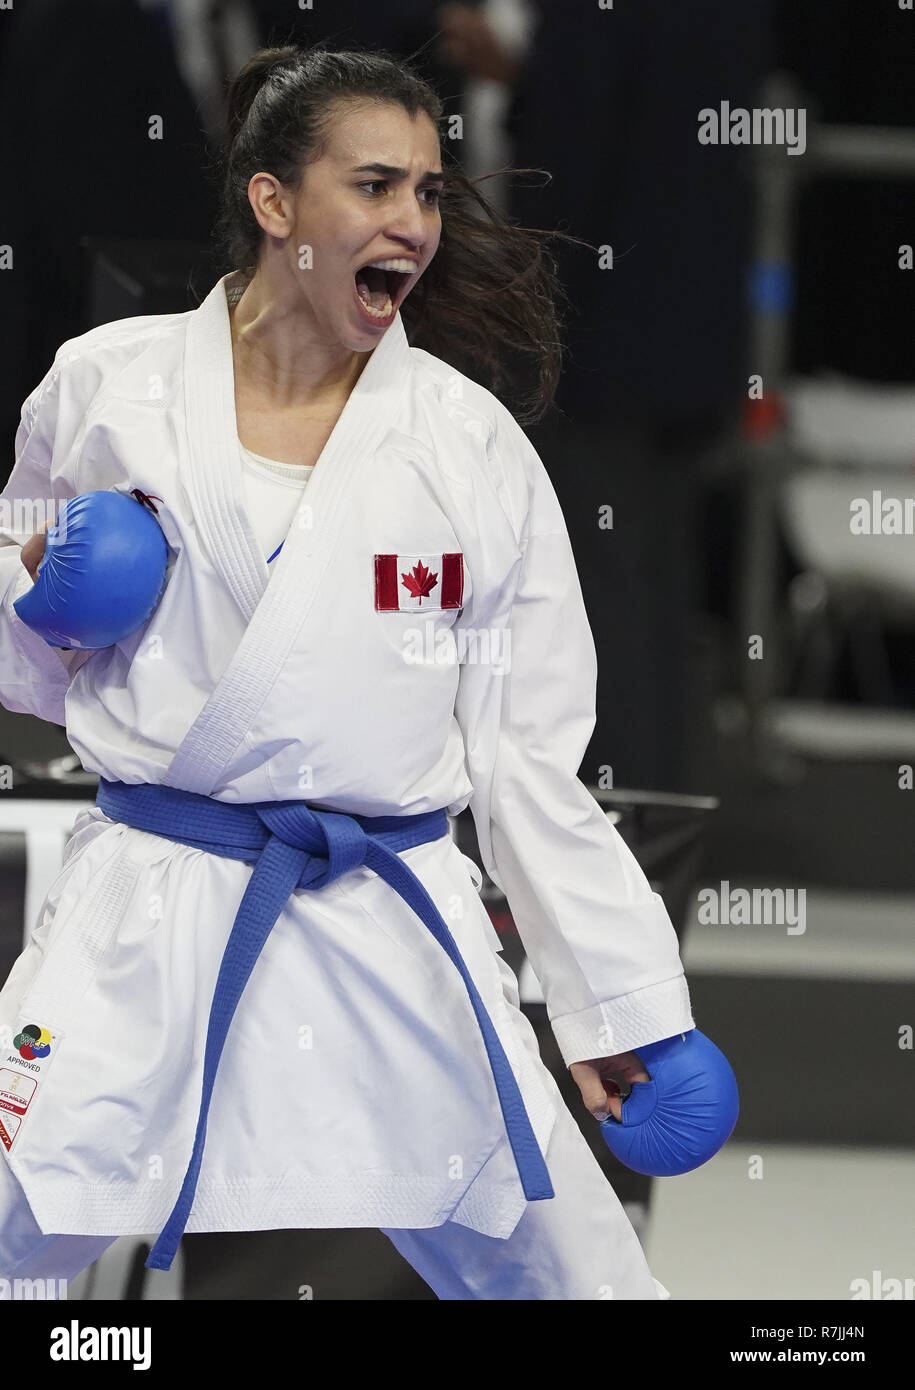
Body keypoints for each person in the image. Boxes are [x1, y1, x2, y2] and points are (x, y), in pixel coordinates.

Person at [0, 44, 694, 1300]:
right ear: (274, 203)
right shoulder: (108, 384)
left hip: (388, 913)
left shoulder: (467, 444)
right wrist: (43, 588)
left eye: (428, 191)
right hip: (153, 908)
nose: (413, 223)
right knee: (13, 1227)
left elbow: (530, 761)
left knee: (582, 1278)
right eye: (376, 185)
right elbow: (28, 661)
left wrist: (623, 1008)